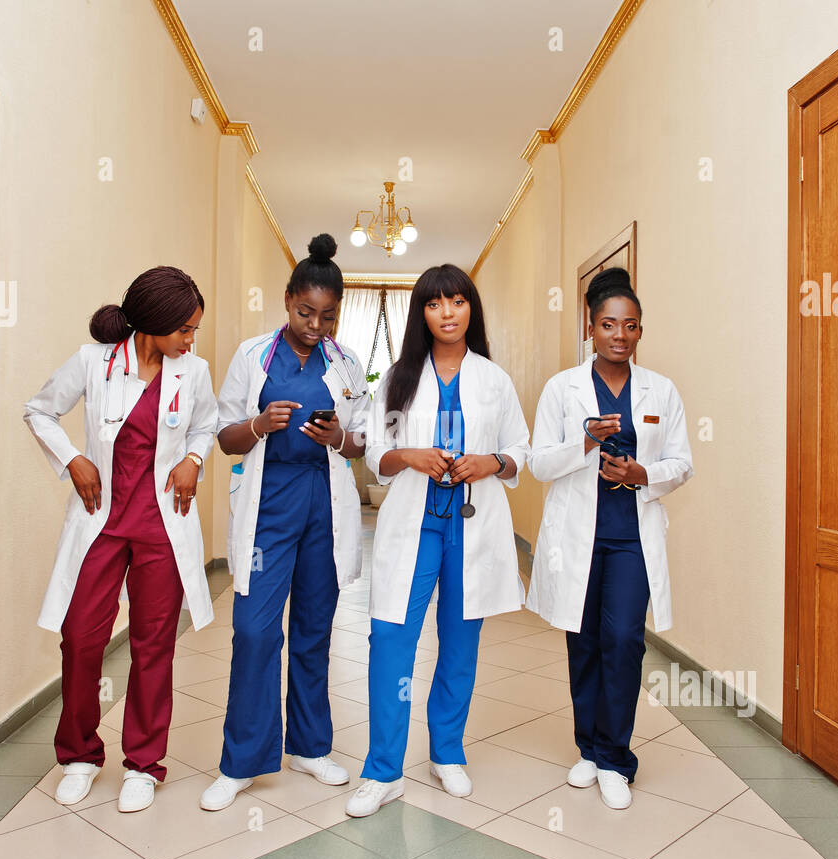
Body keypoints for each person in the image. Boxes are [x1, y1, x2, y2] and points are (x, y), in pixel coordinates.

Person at [23, 265, 217, 813]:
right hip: (100, 524)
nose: (190, 339)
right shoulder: (95, 362)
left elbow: (204, 425)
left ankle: (144, 764)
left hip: (162, 527)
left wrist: (193, 460)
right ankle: (79, 755)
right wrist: (74, 458)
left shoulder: (193, 371)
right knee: (81, 640)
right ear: (153, 325)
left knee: (153, 647)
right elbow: (39, 411)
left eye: (193, 330)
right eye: (184, 329)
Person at [347, 263, 530, 818]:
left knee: (460, 642)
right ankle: (383, 770)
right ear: (420, 313)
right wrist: (411, 456)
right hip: (414, 526)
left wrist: (491, 461)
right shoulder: (400, 377)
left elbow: (521, 449)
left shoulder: (493, 380)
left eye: (457, 301)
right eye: (434, 303)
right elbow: (374, 452)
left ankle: (446, 752)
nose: (447, 313)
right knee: (390, 641)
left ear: (471, 309)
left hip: (470, 526)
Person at [200, 234, 370, 811]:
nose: (316, 325)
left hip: (323, 507)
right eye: (305, 312)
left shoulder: (348, 364)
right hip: (267, 510)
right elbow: (223, 438)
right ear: (287, 300)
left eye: (327, 316)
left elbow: (363, 443)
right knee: (254, 630)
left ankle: (310, 746)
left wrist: (339, 438)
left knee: (315, 631)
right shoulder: (253, 357)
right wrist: (259, 424)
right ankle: (241, 760)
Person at [526, 267, 694, 809]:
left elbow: (682, 463)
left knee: (624, 641)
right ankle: (590, 749)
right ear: (590, 327)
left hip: (630, 537)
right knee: (584, 642)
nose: (619, 335)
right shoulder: (562, 388)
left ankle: (616, 757)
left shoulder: (661, 391)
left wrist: (640, 474)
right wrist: (583, 442)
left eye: (630, 326)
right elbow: (538, 464)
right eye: (608, 325)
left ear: (640, 331)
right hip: (577, 535)